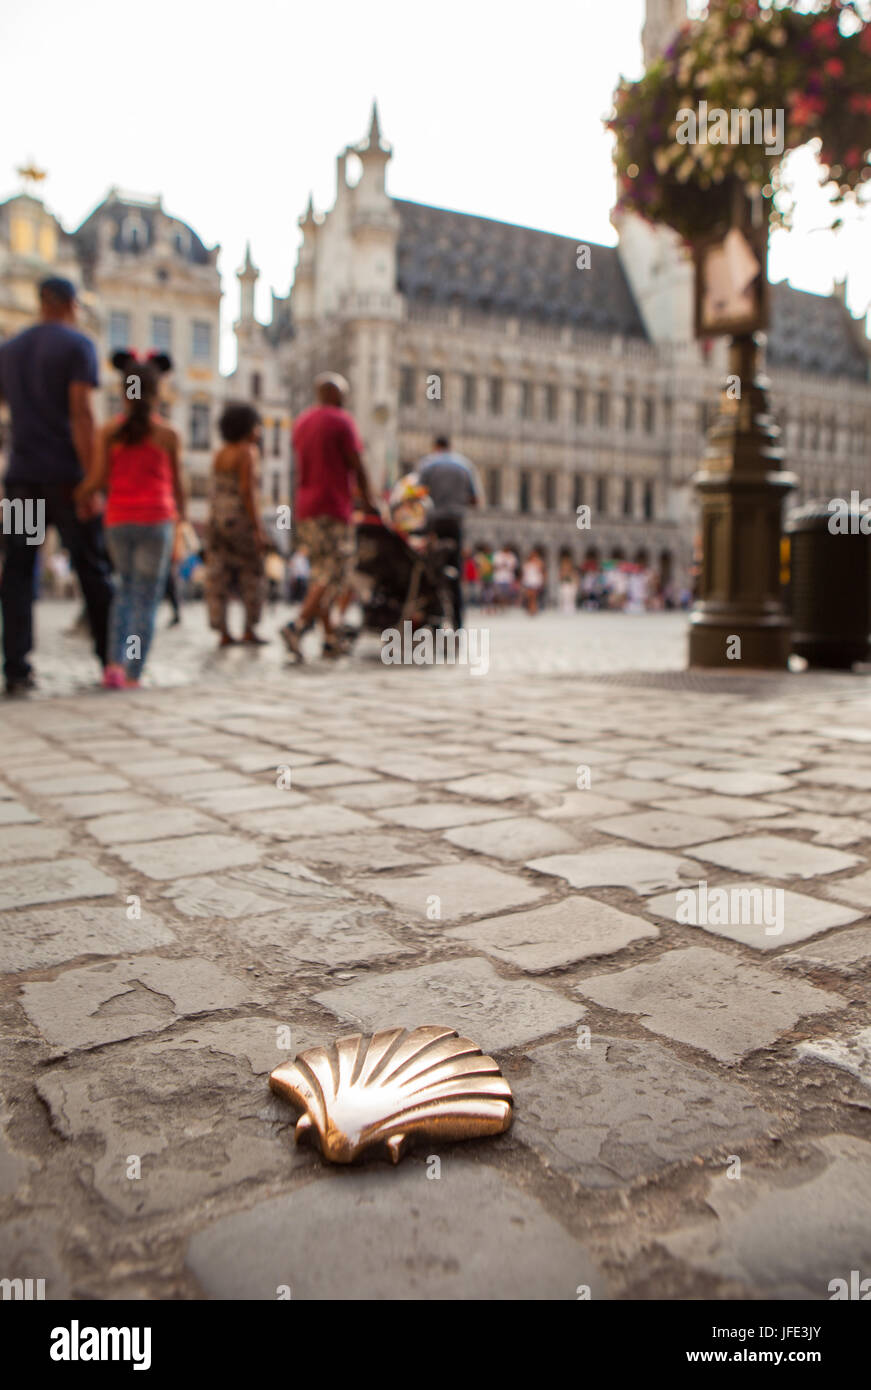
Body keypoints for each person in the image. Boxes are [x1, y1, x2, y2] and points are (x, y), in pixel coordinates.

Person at [0, 276, 113, 695]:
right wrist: (92, 479)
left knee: (18, 568)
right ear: (70, 304)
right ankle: (109, 658)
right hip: (66, 477)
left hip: (22, 478)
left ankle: (16, 668)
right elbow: (82, 413)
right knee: (91, 566)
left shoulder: (9, 350)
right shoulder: (77, 344)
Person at [75, 350, 184, 688]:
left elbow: (98, 479)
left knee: (123, 591)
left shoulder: (109, 432)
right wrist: (180, 523)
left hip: (119, 519)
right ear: (157, 392)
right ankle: (133, 672)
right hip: (156, 519)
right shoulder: (168, 435)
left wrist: (77, 495)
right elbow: (178, 487)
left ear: (124, 392)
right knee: (146, 599)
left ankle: (113, 666)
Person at [280, 372, 378, 661]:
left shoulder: (302, 422)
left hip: (306, 508)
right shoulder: (341, 421)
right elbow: (356, 463)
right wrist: (369, 500)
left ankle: (330, 637)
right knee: (334, 571)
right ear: (335, 395)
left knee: (319, 573)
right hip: (333, 506)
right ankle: (297, 626)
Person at [205, 402, 268, 648]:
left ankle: (222, 630)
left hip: (216, 519)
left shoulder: (219, 453)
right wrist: (258, 528)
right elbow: (247, 491)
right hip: (239, 519)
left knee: (218, 575)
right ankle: (249, 628)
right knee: (253, 572)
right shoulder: (247, 452)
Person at [416, 435, 480, 629]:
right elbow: (475, 499)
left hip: (433, 523)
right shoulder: (465, 466)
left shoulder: (427, 464)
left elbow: (418, 494)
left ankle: (432, 617)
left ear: (435, 447)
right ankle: (457, 623)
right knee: (455, 569)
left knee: (429, 568)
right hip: (455, 523)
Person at [522, 548, 545, 615]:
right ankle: (530, 609)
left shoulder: (539, 562)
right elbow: (525, 573)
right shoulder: (527, 563)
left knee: (534, 597)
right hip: (528, 581)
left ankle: (533, 609)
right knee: (529, 597)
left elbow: (542, 571)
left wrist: (542, 581)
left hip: (535, 581)